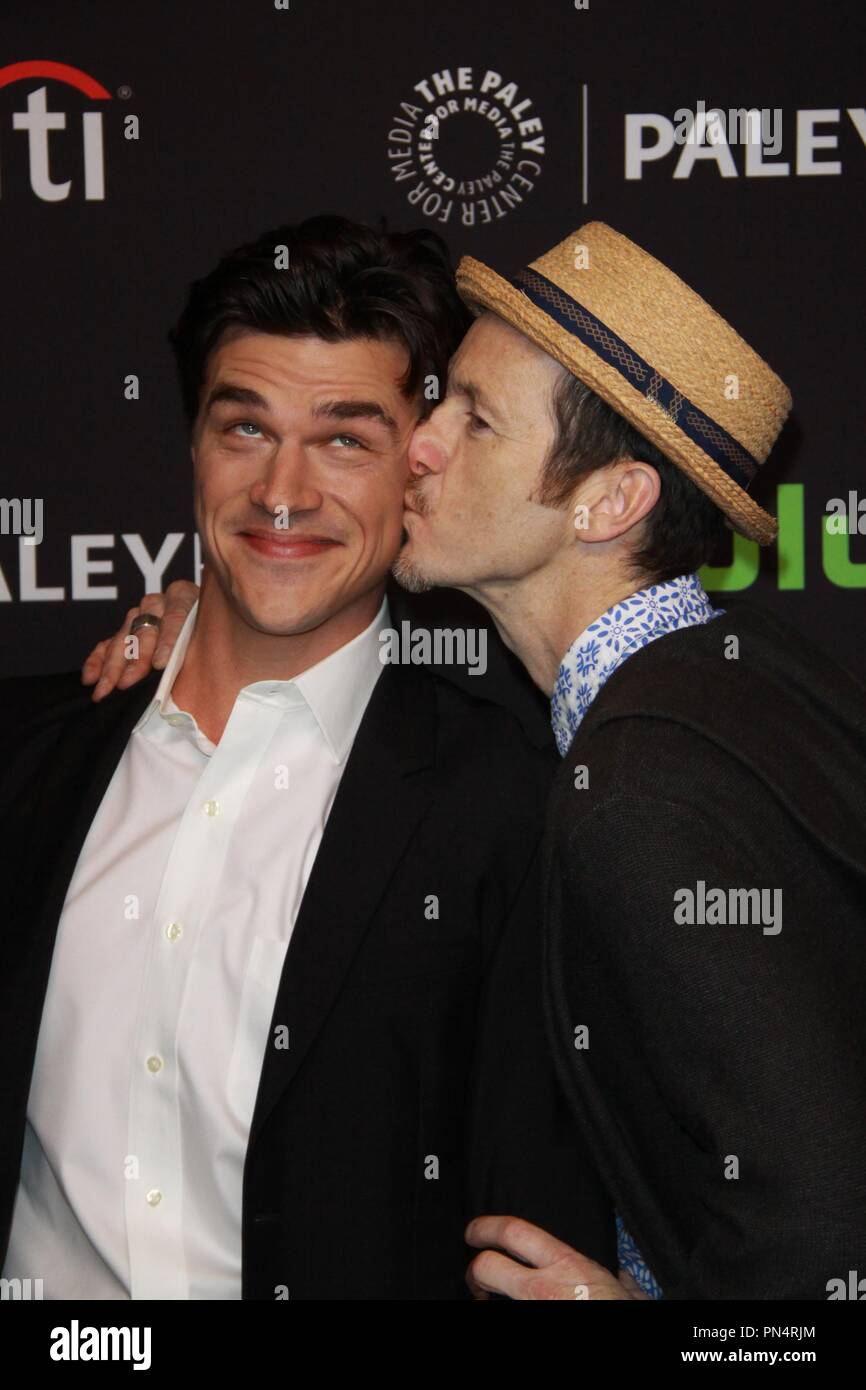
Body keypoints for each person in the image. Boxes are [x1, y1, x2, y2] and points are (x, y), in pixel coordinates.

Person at [108, 220, 866, 1300]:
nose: (418, 440)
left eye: (476, 419)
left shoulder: (642, 790)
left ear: (609, 502)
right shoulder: (740, 683)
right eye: (441, 398)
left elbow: (826, 1233)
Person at [0, 215, 616, 1301]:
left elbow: (526, 1219)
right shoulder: (32, 756)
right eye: (244, 430)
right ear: (193, 442)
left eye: (344, 438)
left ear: (416, 470)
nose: (283, 492)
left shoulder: (505, 807)